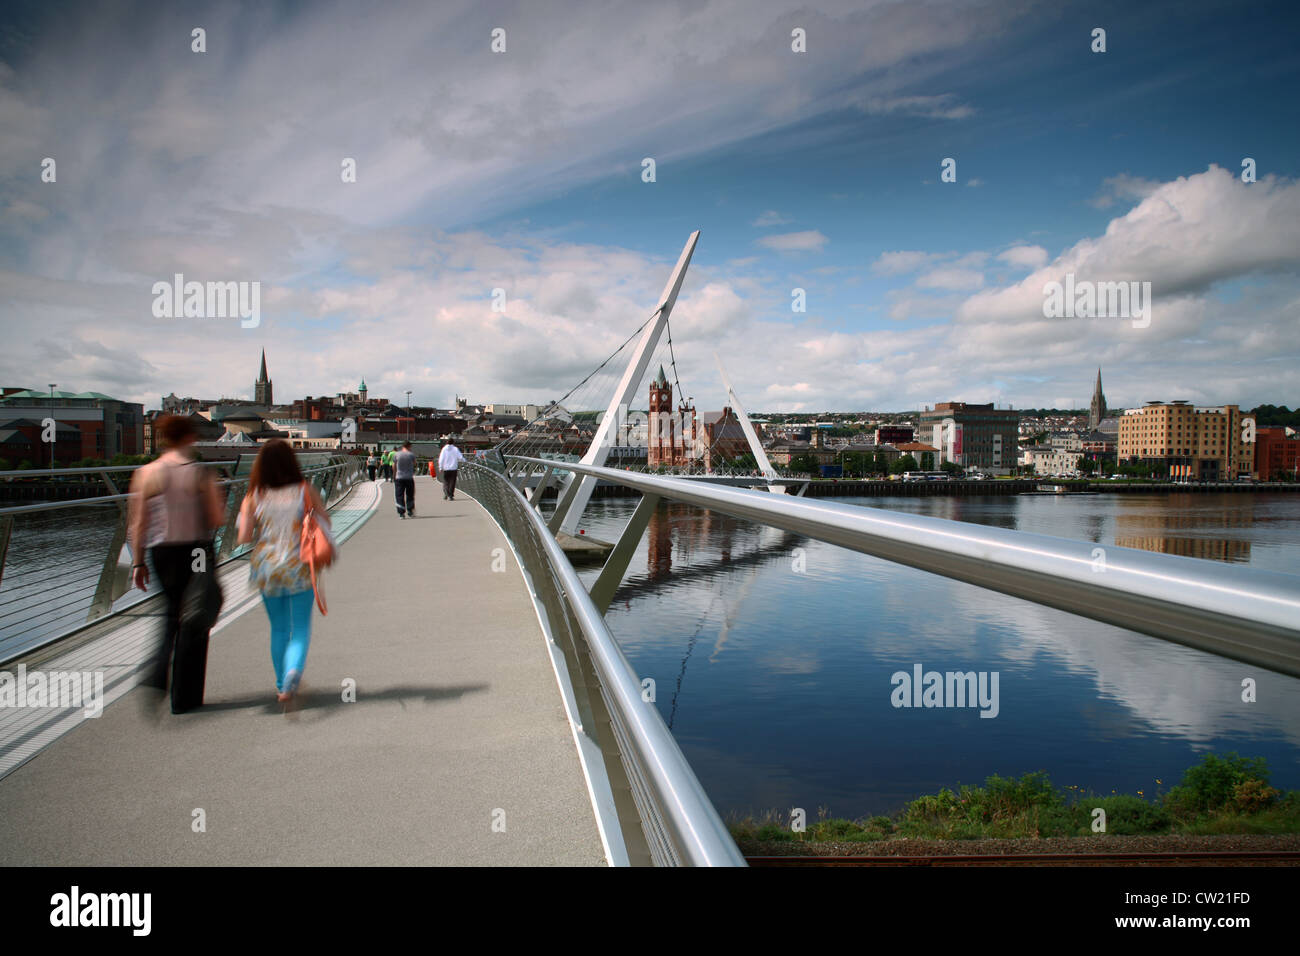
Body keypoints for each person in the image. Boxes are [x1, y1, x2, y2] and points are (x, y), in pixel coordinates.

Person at [128, 414, 226, 711]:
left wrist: (137, 562)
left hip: (162, 552)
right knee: (194, 617)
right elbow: (217, 518)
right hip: (196, 551)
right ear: (188, 438)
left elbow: (138, 524)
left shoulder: (146, 473)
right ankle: (185, 698)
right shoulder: (199, 473)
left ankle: (157, 672)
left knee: (171, 612)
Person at [236, 439, 331, 705]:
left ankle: (281, 685)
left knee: (279, 628)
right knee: (300, 628)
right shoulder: (304, 490)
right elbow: (325, 521)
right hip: (299, 564)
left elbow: (243, 536)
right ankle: (293, 674)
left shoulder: (253, 495)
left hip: (266, 567)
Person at [393, 440, 416, 518]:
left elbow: (394, 466)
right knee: (410, 494)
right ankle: (410, 510)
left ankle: (401, 512)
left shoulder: (397, 454)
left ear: (403, 446)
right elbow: (414, 464)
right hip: (409, 477)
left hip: (399, 477)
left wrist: (394, 475)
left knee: (399, 495)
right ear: (409, 446)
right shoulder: (411, 455)